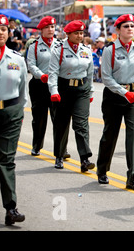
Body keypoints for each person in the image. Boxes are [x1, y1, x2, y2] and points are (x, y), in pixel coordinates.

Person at [96, 14, 134, 190]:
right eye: (126, 26)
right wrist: (124, 92)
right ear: (118, 30)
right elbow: (106, 78)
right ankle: (102, 170)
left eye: (132, 26)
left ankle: (132, 177)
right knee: (110, 134)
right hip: (114, 96)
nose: (130, 29)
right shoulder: (110, 50)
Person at [0, 15, 27, 225]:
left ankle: (11, 208)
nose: (1, 33)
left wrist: (19, 112)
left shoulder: (17, 58)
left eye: (4, 29)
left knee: (7, 161)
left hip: (10, 114)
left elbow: (22, 90)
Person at [48, 20, 95, 171]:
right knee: (61, 123)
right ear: (68, 34)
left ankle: (85, 159)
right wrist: (54, 91)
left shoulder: (86, 50)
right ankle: (59, 155)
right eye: (76, 33)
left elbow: (90, 73)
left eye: (82, 33)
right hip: (64, 89)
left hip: (82, 89)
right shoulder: (59, 49)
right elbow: (53, 72)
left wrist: (91, 91)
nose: (80, 36)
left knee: (81, 124)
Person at [26, 16, 57, 156]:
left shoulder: (60, 44)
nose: (51, 30)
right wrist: (41, 75)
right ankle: (37, 145)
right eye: (47, 27)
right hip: (39, 85)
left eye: (53, 27)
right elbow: (31, 64)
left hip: (55, 85)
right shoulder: (34, 46)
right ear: (41, 30)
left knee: (58, 118)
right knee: (39, 118)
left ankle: (61, 149)